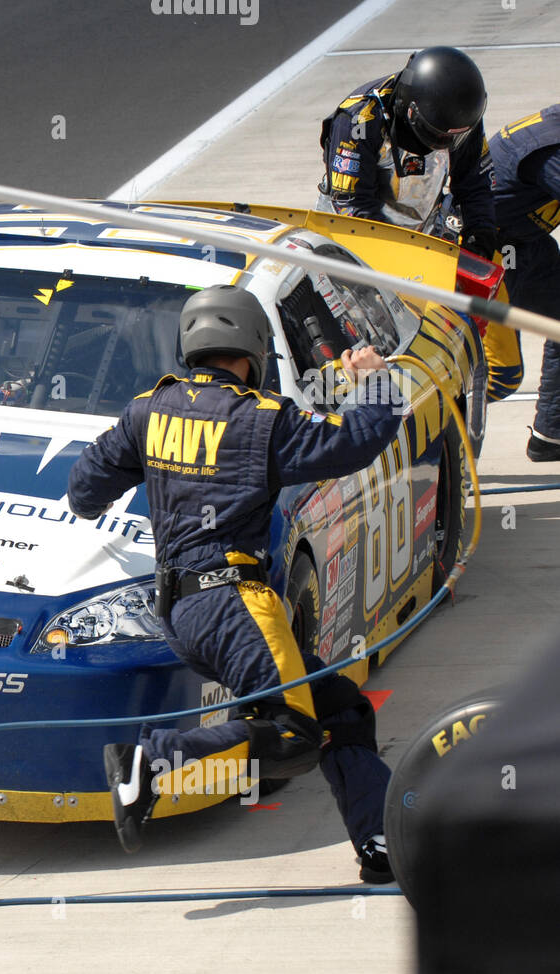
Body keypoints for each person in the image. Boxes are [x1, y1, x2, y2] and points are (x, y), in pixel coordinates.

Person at [66, 285, 403, 882]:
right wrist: (375, 383)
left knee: (341, 710)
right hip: (237, 603)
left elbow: (84, 490)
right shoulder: (260, 420)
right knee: (294, 737)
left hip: (181, 612)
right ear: (253, 346)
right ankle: (151, 760)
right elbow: (353, 442)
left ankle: (379, 844)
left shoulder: (149, 409)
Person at [316, 45, 495, 256]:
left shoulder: (461, 119)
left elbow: (476, 186)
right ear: (410, 112)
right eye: (439, 136)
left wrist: (480, 240)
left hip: (421, 232)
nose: (447, 143)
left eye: (453, 138)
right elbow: (353, 206)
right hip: (352, 236)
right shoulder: (359, 120)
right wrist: (396, 260)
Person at [480, 106, 560, 459]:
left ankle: (550, 436)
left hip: (523, 244)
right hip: (484, 255)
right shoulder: (552, 150)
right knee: (502, 375)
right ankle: (403, 418)